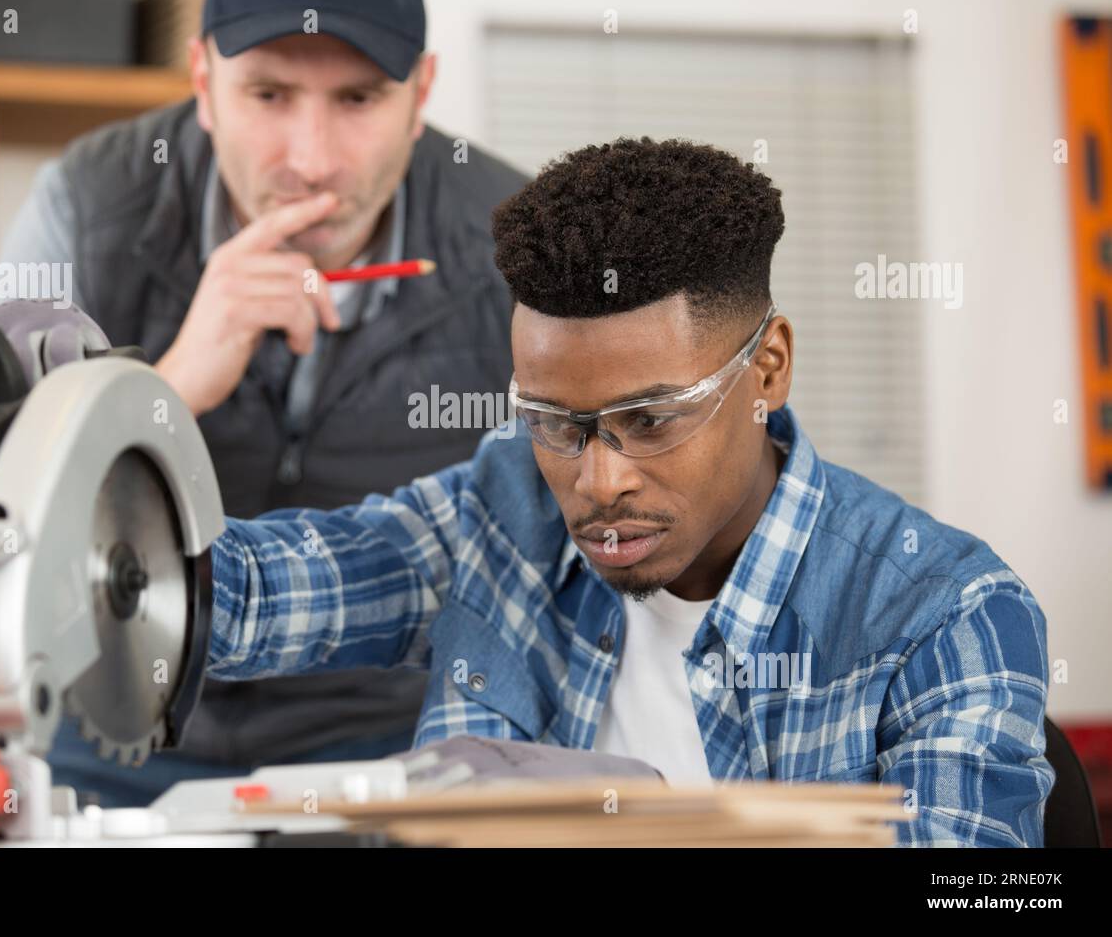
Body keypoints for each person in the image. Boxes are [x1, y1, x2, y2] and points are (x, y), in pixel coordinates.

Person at [205, 137, 1055, 846]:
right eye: (554, 423)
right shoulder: (502, 515)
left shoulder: (948, 616)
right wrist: (140, 402)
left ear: (769, 370)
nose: (598, 481)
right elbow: (243, 597)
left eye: (651, 421)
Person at [0, 0, 527, 805]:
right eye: (269, 94)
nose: (310, 158)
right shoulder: (84, 203)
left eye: (357, 98)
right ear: (204, 84)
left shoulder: (512, 240)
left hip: (399, 747)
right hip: (113, 724)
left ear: (420, 96)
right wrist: (164, 390)